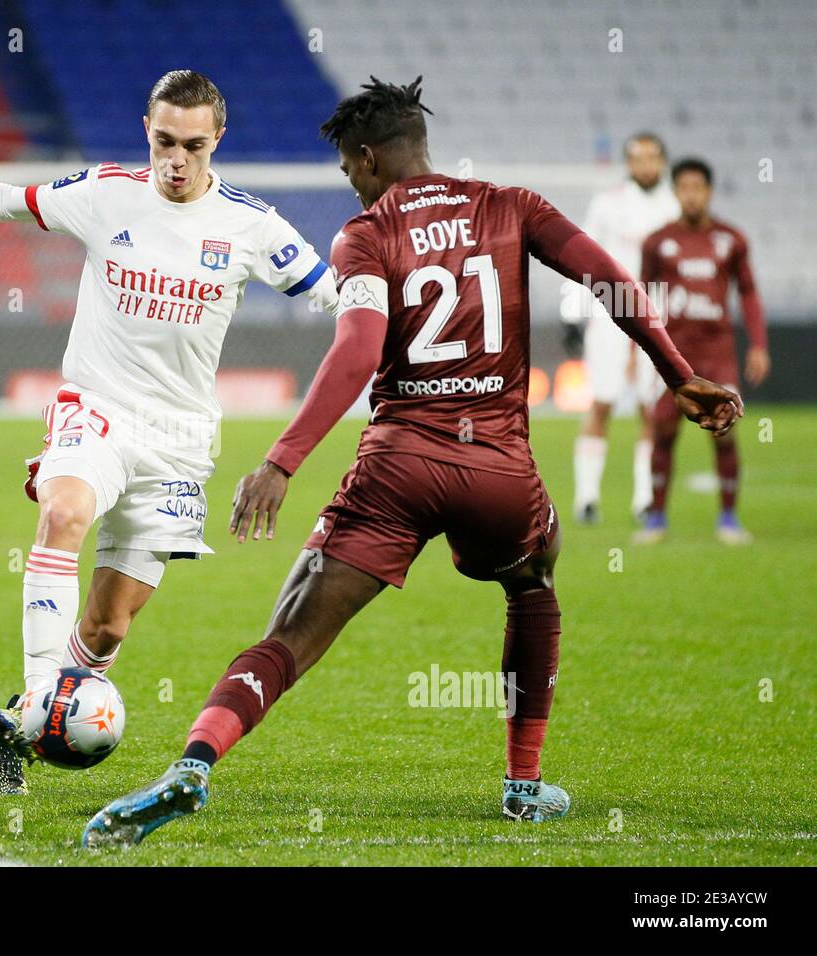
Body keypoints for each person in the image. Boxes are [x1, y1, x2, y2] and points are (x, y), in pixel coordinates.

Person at [83, 77, 743, 846]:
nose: (351, 185)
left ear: (368, 158)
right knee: (533, 579)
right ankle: (523, 784)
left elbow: (358, 351)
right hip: (499, 470)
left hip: (396, 469)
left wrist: (282, 461)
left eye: (348, 170)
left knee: (289, 637)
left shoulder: (366, 235)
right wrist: (676, 373)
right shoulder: (513, 207)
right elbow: (611, 282)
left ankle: (194, 765)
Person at [0, 69, 338, 795]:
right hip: (97, 408)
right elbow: (6, 201)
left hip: (178, 440)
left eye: (193, 146)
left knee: (107, 628)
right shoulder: (106, 193)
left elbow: (337, 297)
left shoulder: (252, 226)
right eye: (164, 142)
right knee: (65, 512)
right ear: (147, 131)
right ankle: (34, 705)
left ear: (217, 141)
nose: (177, 160)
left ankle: (24, 721)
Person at [635, 157, 768, 544]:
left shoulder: (731, 239)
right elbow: (640, 297)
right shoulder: (657, 241)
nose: (691, 195)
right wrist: (635, 349)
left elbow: (748, 292)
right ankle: (656, 519)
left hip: (717, 352)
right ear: (675, 192)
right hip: (673, 355)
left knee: (724, 430)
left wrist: (759, 344)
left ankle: (728, 518)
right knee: (663, 430)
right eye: (684, 188)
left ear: (709, 191)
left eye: (698, 188)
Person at [562, 132, 680, 524]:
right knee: (603, 401)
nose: (645, 164)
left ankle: (644, 499)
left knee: (651, 408)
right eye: (637, 158)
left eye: (651, 157)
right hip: (609, 315)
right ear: (628, 163)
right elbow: (578, 255)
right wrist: (571, 312)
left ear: (662, 161)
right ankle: (587, 498)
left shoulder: (675, 206)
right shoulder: (607, 203)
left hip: (658, 318)